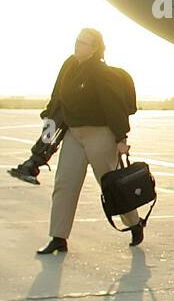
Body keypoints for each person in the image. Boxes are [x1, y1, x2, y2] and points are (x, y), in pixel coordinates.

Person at [35, 28, 145, 254]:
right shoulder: (69, 66)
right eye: (77, 41)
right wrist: (47, 127)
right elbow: (57, 98)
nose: (78, 45)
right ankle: (58, 237)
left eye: (84, 43)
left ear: (95, 48)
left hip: (100, 135)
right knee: (64, 183)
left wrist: (121, 137)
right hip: (73, 134)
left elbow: (113, 106)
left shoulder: (102, 72)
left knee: (112, 186)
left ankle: (134, 223)